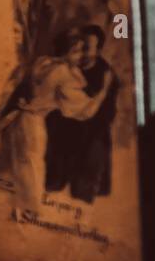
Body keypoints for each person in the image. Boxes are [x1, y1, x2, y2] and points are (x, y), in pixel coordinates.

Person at [0, 29, 115, 213]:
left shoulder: (43, 62)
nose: (81, 56)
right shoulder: (64, 73)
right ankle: (28, 213)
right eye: (77, 50)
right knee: (30, 172)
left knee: (10, 168)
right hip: (32, 124)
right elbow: (83, 111)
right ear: (67, 51)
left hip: (15, 120)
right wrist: (103, 90)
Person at [45, 25, 117, 203]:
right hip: (63, 131)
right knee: (52, 183)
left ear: (98, 51)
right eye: (78, 47)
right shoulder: (66, 68)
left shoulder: (106, 74)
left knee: (83, 188)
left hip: (92, 134)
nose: (81, 54)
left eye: (86, 48)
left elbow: (105, 114)